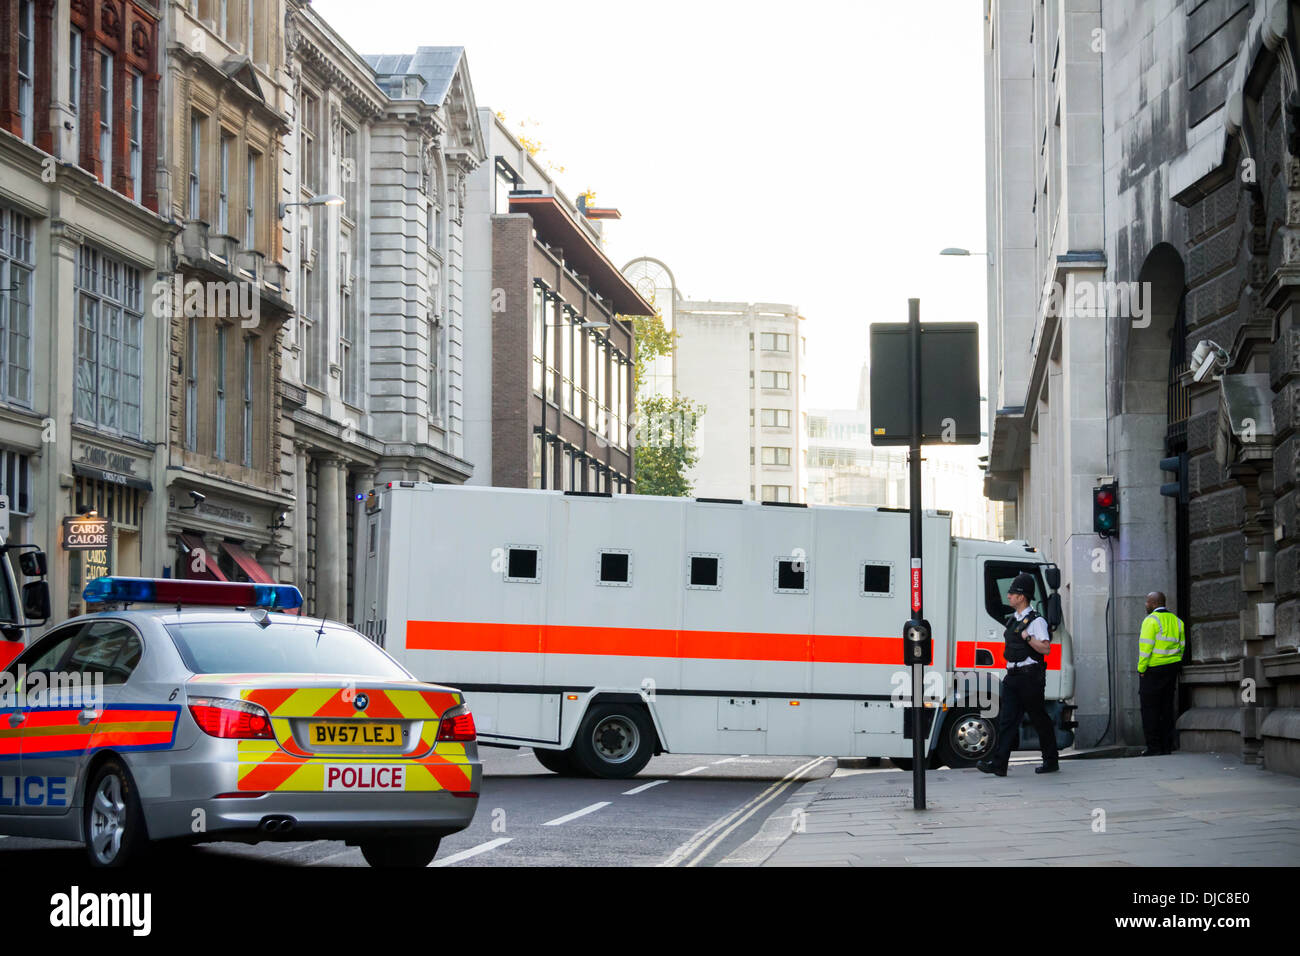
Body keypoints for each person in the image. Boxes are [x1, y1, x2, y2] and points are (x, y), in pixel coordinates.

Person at [978, 572, 1060, 776]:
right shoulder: (1013, 620)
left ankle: (1051, 761)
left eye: (1012, 593)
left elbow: (1045, 648)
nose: (1008, 597)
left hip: (1030, 677)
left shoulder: (1036, 621)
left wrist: (1027, 637)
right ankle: (999, 765)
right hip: (1012, 676)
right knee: (1006, 721)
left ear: (1022, 596)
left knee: (1039, 719)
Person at [1138, 591, 1185, 756]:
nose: (1146, 605)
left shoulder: (1150, 621)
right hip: (1171, 669)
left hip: (1153, 670)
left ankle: (1154, 747)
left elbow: (1145, 648)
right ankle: (1167, 746)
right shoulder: (1178, 621)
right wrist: (1175, 662)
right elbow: (1182, 646)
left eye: (1147, 602)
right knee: (1166, 708)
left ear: (1153, 603)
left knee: (1150, 709)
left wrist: (1141, 669)